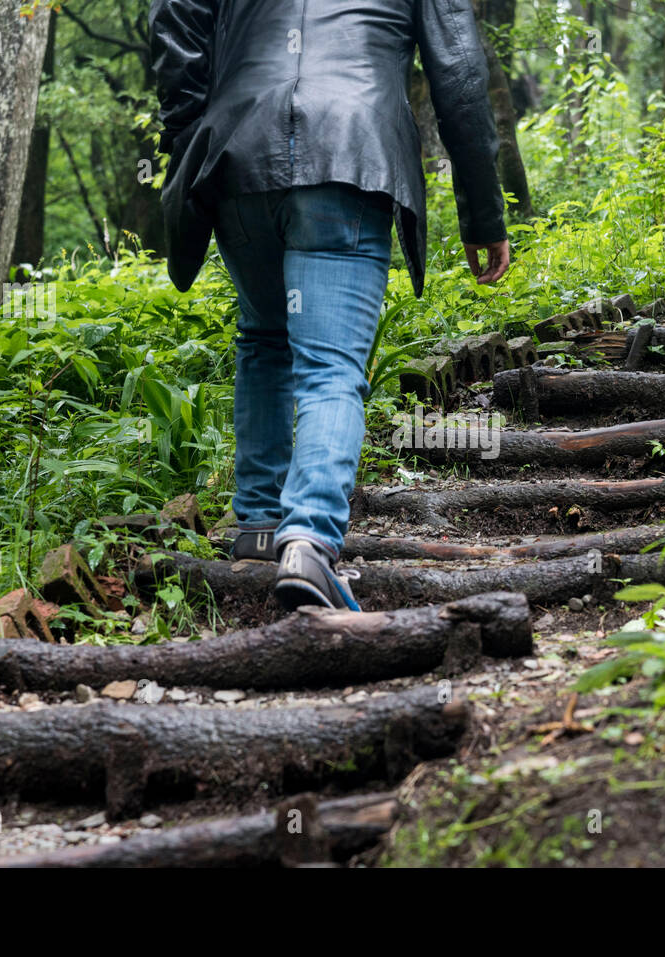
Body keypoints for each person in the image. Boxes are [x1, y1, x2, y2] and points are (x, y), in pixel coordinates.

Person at [150, 0, 510, 611]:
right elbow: (459, 74)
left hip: (238, 154)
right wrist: (483, 211)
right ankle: (310, 542)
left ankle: (259, 527)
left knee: (264, 339)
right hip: (351, 152)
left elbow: (176, 26)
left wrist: (195, 146)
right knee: (331, 367)